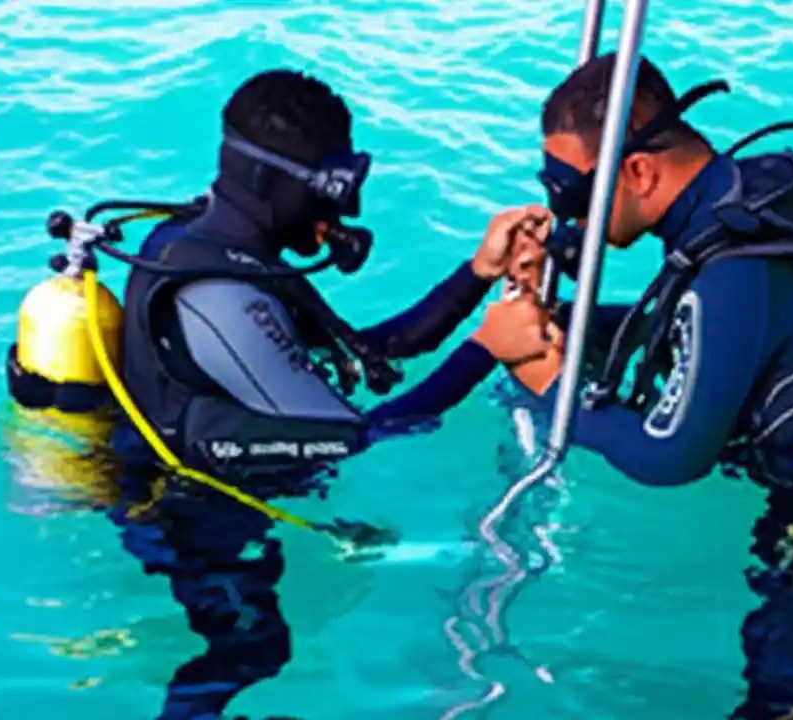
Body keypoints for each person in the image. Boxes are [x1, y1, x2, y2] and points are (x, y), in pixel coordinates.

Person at [469, 53, 793, 718]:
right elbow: (683, 328)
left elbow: (669, 456)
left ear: (639, 172)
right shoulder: (746, 191)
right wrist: (562, 323)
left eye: (571, 193)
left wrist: (548, 382)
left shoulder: (734, 271)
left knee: (781, 672)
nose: (564, 213)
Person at [106, 68, 547, 720]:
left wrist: (478, 273)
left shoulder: (220, 245)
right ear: (267, 180)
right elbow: (356, 437)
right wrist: (486, 351)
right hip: (188, 517)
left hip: (213, 474)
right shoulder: (220, 297)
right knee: (253, 651)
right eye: (330, 190)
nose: (343, 212)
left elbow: (362, 352)